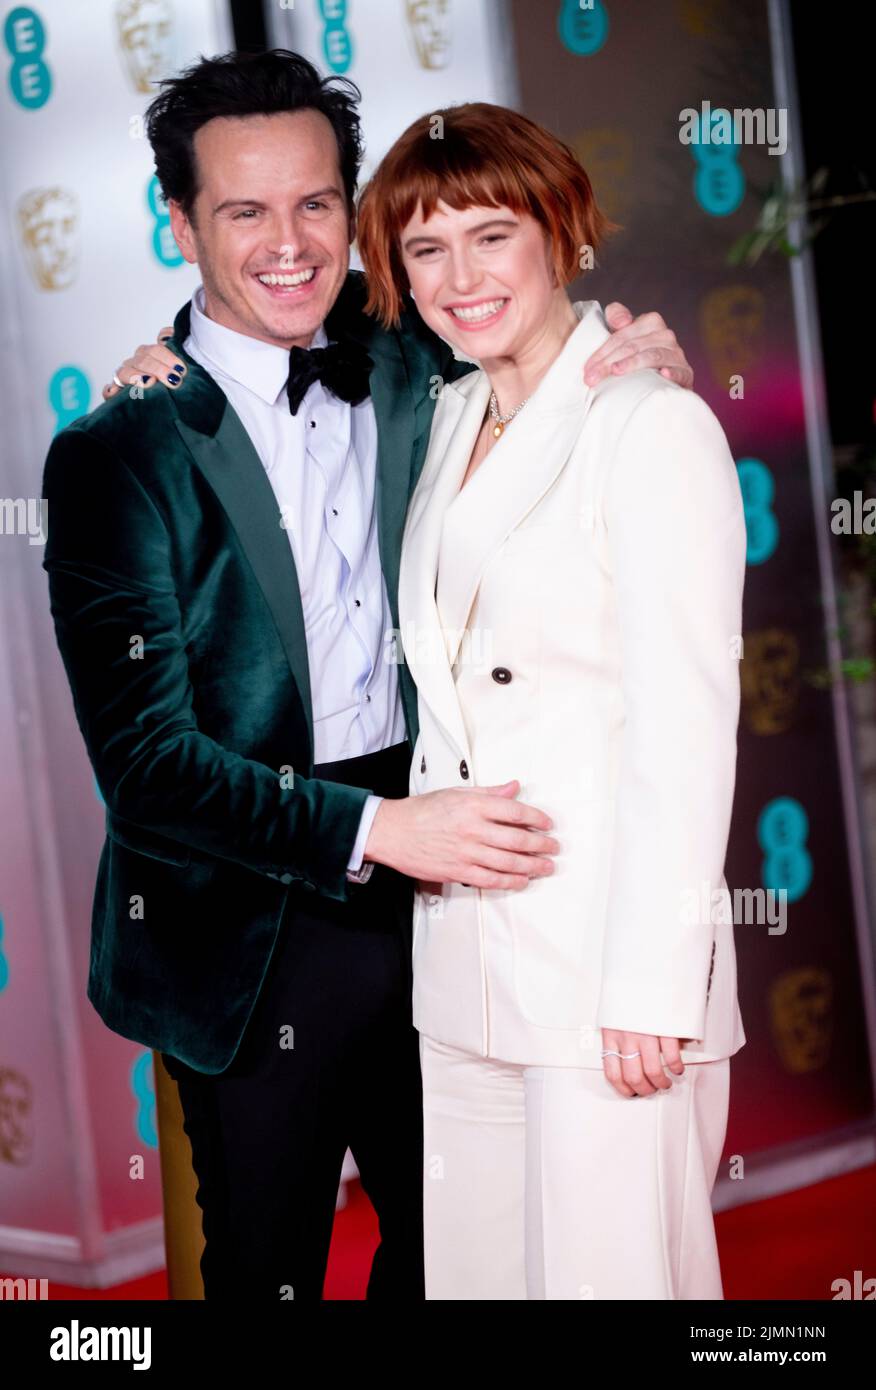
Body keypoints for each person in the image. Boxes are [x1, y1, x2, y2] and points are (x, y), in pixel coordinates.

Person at [74, 50, 694, 1300]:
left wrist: (637, 359)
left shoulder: (416, 348)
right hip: (251, 915)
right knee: (270, 1269)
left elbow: (535, 347)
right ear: (179, 220)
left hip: (452, 905)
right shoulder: (119, 450)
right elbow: (146, 767)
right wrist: (381, 829)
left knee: (464, 1260)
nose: (290, 244)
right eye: (243, 212)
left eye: (316, 205)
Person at [352, 101, 747, 1300]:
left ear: (563, 232)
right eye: (426, 248)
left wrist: (652, 986)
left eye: (490, 235)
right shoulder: (449, 412)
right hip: (465, 959)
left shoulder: (650, 420)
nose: (459, 277)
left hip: (602, 974)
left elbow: (688, 728)